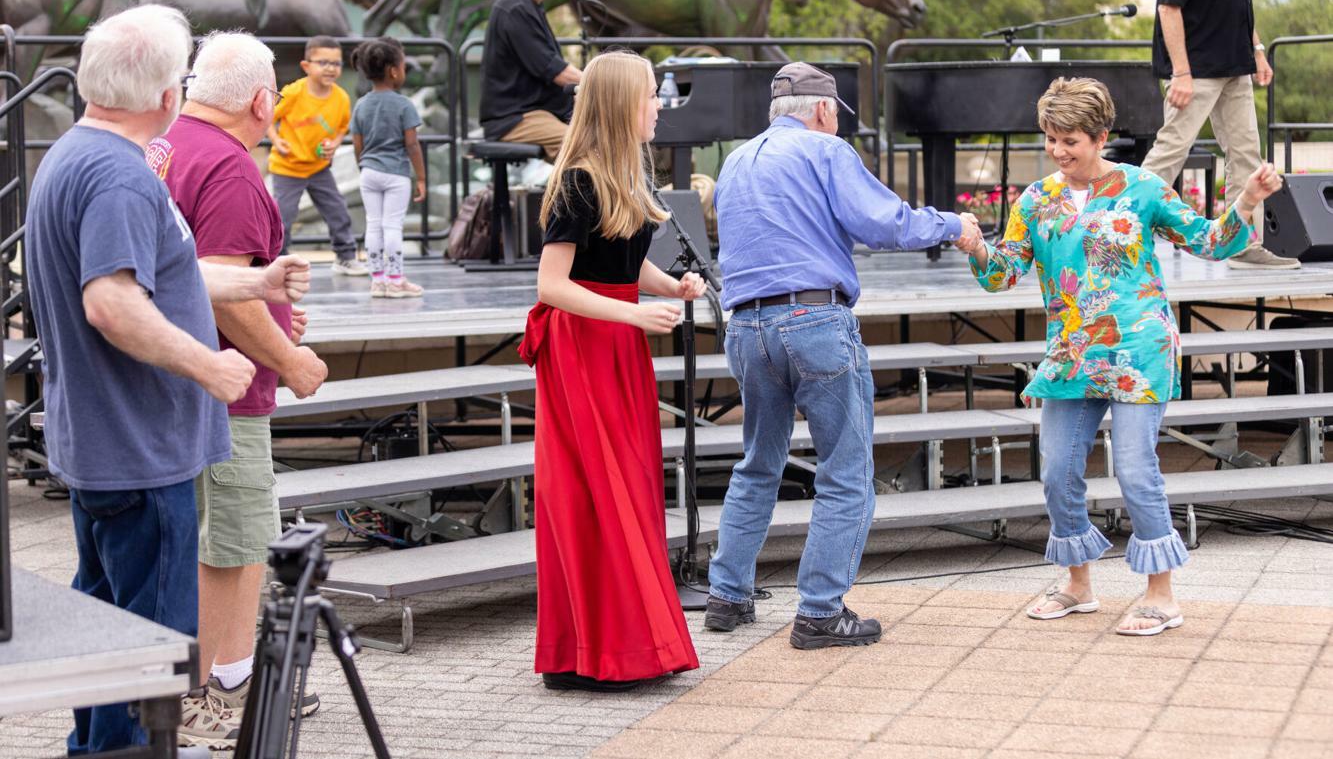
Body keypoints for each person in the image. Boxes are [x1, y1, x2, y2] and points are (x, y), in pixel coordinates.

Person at [23, 4, 312, 754]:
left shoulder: (77, 155)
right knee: (150, 647)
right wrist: (207, 362)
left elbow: (160, 278)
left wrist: (260, 285)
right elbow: (112, 302)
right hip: (139, 447)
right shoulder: (118, 176)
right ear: (164, 95)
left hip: (110, 442)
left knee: (105, 626)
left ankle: (94, 746)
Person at [958, 77, 1281, 636]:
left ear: (1100, 136)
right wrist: (977, 246)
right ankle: (1078, 585)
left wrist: (1248, 199)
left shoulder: (1143, 187)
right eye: (1051, 139)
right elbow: (1000, 275)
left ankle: (1161, 595)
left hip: (1139, 348)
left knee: (1134, 469)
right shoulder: (1034, 200)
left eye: (1071, 141)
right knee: (1057, 471)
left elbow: (1209, 242)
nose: (1059, 151)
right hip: (1072, 352)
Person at [707, 62, 981, 648]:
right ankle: (820, 612)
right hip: (814, 320)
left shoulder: (734, 161)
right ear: (824, 111)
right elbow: (886, 224)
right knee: (847, 473)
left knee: (758, 463)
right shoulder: (824, 152)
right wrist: (954, 223)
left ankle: (727, 596)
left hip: (746, 327)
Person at [147, 31, 330, 731]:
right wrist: (291, 355)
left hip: (178, 382)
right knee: (236, 537)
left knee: (212, 535)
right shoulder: (230, 168)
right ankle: (210, 698)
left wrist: (275, 302)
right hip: (224, 387)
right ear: (262, 101)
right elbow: (226, 292)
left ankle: (226, 676)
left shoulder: (167, 145)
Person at [516, 50, 700, 691]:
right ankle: (595, 650)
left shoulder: (621, 176)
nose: (659, 105)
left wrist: (669, 286)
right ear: (625, 103)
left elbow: (620, 266)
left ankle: (612, 645)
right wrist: (633, 315)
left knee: (621, 486)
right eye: (652, 94)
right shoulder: (578, 181)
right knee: (595, 492)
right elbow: (552, 287)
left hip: (615, 344)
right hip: (584, 350)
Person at [1140, 0, 1296, 270]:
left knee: (1246, 155)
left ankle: (1242, 247)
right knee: (1170, 153)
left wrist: (1257, 50)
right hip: (1195, 72)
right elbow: (1168, 8)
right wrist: (1181, 73)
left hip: (1235, 66)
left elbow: (1240, 2)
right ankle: (1118, 235)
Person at [267, 35, 369, 275]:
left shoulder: (341, 97)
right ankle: (278, 260)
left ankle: (345, 256)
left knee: (337, 210)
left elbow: (343, 125)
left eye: (335, 63)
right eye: (323, 62)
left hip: (319, 167)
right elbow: (269, 115)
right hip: (288, 167)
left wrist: (334, 143)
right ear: (306, 66)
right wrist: (276, 139)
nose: (330, 68)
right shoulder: (294, 92)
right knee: (283, 217)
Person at [479, 0, 582, 161]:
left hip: (538, 111)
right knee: (583, 147)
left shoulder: (527, 5)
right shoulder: (514, 8)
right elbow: (556, 71)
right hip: (516, 118)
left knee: (607, 135)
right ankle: (572, 197)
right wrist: (603, 84)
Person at [350, 37, 428, 298]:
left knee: (374, 224)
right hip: (396, 174)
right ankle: (396, 280)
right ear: (394, 71)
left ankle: (378, 280)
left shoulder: (361, 104)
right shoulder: (404, 105)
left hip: (369, 172)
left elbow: (357, 143)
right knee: (392, 226)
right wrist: (421, 177)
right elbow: (412, 144)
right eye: (403, 65)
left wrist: (363, 166)